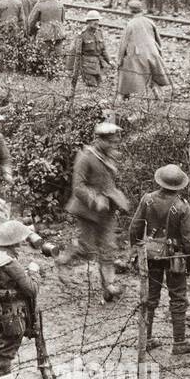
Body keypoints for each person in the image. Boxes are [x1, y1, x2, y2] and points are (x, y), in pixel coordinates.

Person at [128, 164, 190, 355]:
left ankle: (146, 338)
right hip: (175, 256)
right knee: (178, 297)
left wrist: (136, 250)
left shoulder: (147, 200)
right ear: (178, 185)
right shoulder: (182, 206)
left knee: (150, 297)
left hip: (150, 255)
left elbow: (134, 228)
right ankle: (179, 342)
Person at [57, 121, 128, 301]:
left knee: (108, 247)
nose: (113, 145)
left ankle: (109, 286)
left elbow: (108, 182)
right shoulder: (86, 157)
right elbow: (78, 187)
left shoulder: (110, 156)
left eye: (115, 142)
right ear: (99, 140)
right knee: (87, 249)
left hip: (107, 211)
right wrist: (95, 199)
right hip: (88, 211)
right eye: (110, 142)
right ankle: (64, 260)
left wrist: (116, 197)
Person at [0, 220, 39, 378]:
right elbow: (31, 289)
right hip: (11, 314)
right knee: (6, 352)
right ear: (14, 243)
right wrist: (34, 272)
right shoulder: (9, 262)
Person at [114, 2, 169, 100]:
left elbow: (123, 44)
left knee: (124, 73)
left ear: (130, 11)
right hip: (152, 53)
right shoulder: (150, 21)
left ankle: (121, 98)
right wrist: (159, 53)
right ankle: (159, 98)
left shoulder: (130, 24)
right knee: (152, 76)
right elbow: (158, 40)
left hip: (138, 55)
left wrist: (119, 60)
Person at [68, 11, 110, 90]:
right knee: (92, 87)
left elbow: (103, 50)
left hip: (98, 65)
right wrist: (71, 69)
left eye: (97, 20)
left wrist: (109, 61)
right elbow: (75, 52)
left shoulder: (99, 33)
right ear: (88, 22)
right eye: (93, 20)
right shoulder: (82, 35)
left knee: (100, 86)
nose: (96, 22)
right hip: (87, 66)